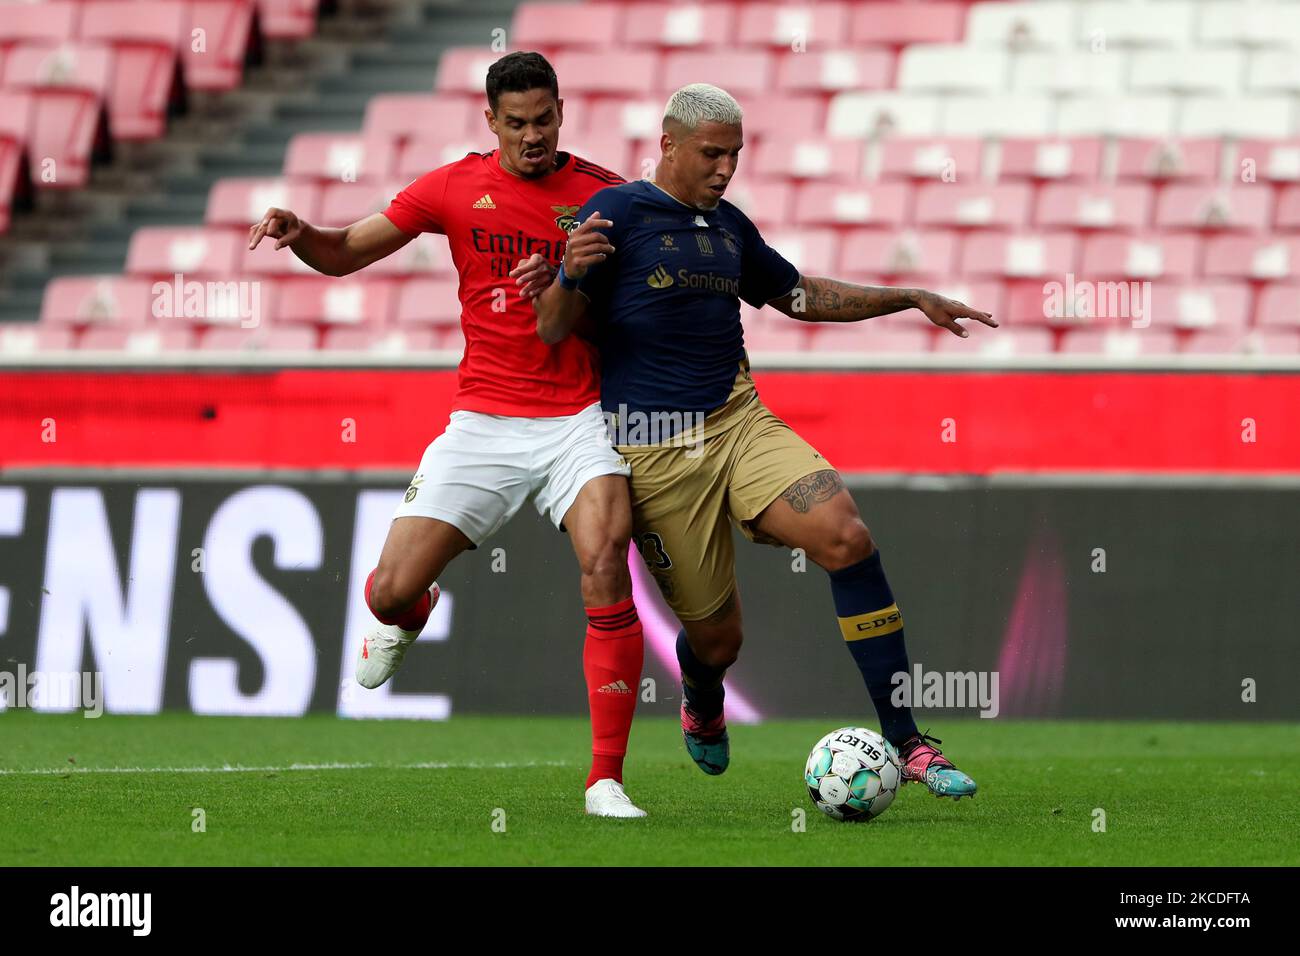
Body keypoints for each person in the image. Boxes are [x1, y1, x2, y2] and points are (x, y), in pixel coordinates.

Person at [532, 83, 997, 798]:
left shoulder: (729, 227)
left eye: (735, 155)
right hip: (655, 448)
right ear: (668, 144)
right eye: (711, 154)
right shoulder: (617, 213)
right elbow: (554, 328)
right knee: (719, 641)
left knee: (846, 538)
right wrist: (567, 272)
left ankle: (907, 742)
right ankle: (702, 693)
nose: (725, 169)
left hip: (738, 420)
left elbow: (799, 295)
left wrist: (905, 297)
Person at [248, 52, 647, 818]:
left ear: (562, 111)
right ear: (491, 120)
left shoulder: (606, 198)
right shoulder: (452, 188)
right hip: (484, 423)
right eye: (518, 123)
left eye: (545, 119)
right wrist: (303, 233)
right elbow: (342, 255)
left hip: (580, 419)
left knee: (605, 562)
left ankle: (605, 780)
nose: (534, 136)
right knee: (389, 590)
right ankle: (414, 612)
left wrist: (569, 286)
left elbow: (631, 320)